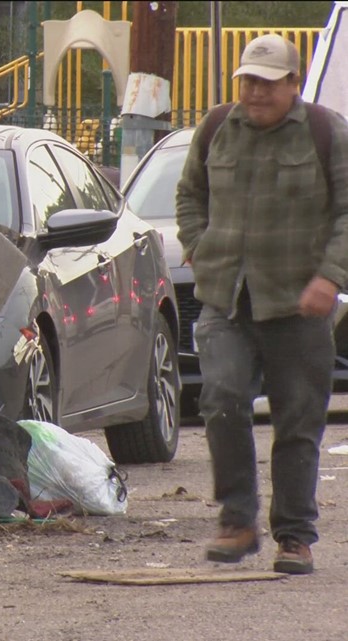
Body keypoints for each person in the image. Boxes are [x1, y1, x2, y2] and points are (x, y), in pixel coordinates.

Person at [175, 33, 348, 575]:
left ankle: (294, 537)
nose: (254, 92)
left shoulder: (325, 133)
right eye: (248, 80)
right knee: (221, 400)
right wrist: (198, 245)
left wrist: (330, 278)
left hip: (299, 305)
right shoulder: (216, 128)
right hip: (226, 297)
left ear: (294, 85)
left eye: (268, 83)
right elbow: (189, 193)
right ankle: (237, 521)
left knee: (298, 422)